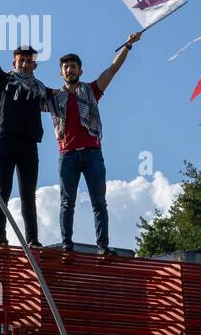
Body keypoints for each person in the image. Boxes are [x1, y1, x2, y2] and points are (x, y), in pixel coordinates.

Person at [44, 32, 143, 255]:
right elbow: (30, 96)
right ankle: (67, 246)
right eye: (66, 67)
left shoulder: (90, 90)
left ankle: (102, 247)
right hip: (67, 154)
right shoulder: (53, 97)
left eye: (73, 67)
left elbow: (112, 70)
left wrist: (127, 45)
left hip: (92, 153)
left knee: (99, 201)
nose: (69, 70)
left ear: (80, 71)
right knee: (66, 202)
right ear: (61, 72)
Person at [0, 5, 45, 247]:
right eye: (21, 60)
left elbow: (65, 97)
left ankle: (33, 239)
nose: (25, 64)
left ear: (35, 65)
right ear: (14, 62)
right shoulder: (5, 80)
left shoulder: (40, 90)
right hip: (5, 140)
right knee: (2, 189)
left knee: (28, 193)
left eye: (29, 61)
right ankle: (0, 238)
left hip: (29, 143)